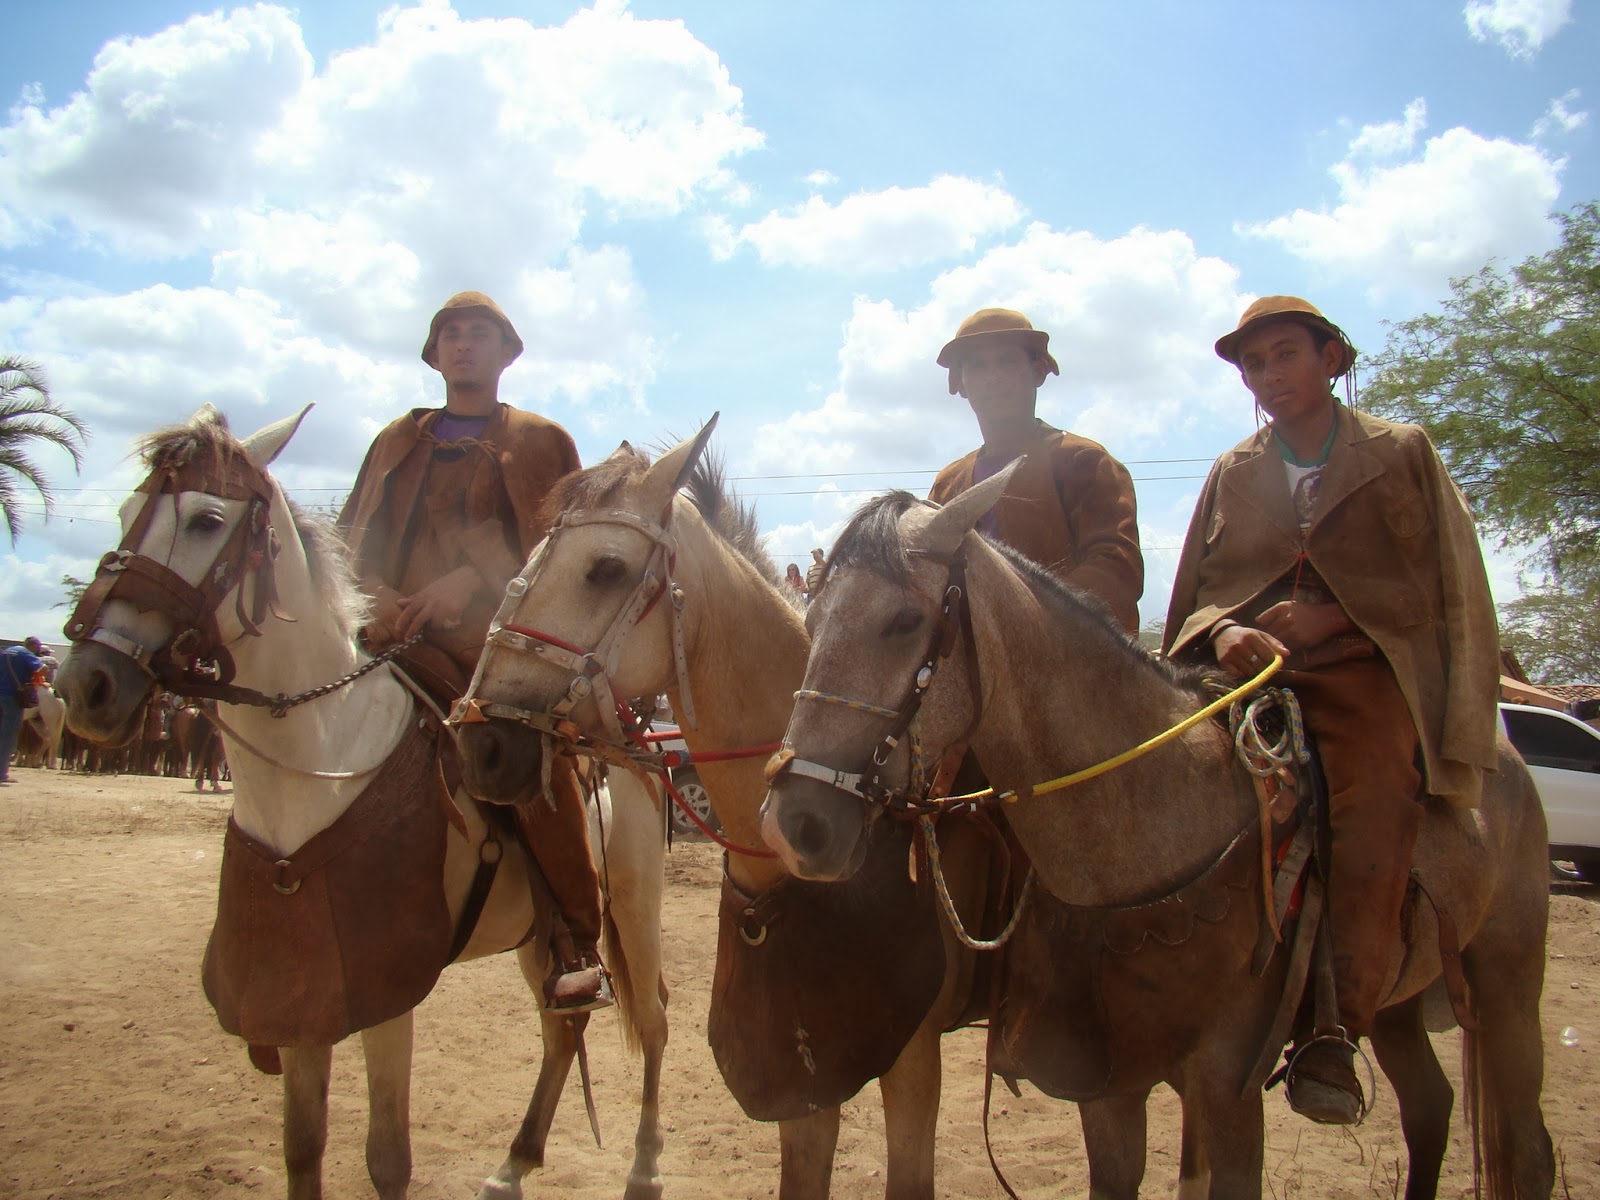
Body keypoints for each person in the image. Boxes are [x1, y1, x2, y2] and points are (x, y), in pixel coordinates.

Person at [1163, 296, 1500, 1124]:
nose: (1269, 374)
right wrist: (1226, 629)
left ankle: (1336, 1029)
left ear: (1330, 358)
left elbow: (1447, 582)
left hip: (1363, 671)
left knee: (1375, 795)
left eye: (1285, 354)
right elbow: (1198, 591)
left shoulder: (1401, 451)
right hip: (1249, 674)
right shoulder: (1233, 469)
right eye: (1254, 363)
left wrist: (1337, 618)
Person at [338, 290, 609, 1012]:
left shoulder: (540, 442)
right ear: (434, 355)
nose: (463, 344)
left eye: (479, 333)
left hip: (492, 646)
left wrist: (467, 582)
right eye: (451, 334)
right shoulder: (394, 442)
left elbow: (562, 555)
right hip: (387, 634)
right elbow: (351, 539)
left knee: (528, 751)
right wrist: (376, 593)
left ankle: (575, 942)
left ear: (505, 352)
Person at [928, 308, 1144, 632]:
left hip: (1073, 655)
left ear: (1039, 371)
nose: (992, 377)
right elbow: (927, 577)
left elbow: (1117, 570)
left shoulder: (1084, 461)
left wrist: (1019, 616)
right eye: (977, 365)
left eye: (1007, 361)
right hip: (975, 660)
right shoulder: (948, 484)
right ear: (959, 382)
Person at [1, 639, 45, 784]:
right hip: (12, 697)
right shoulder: (25, 653)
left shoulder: (5, 652)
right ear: (33, 646)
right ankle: (2, 773)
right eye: (37, 648)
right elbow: (43, 669)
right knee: (8, 735)